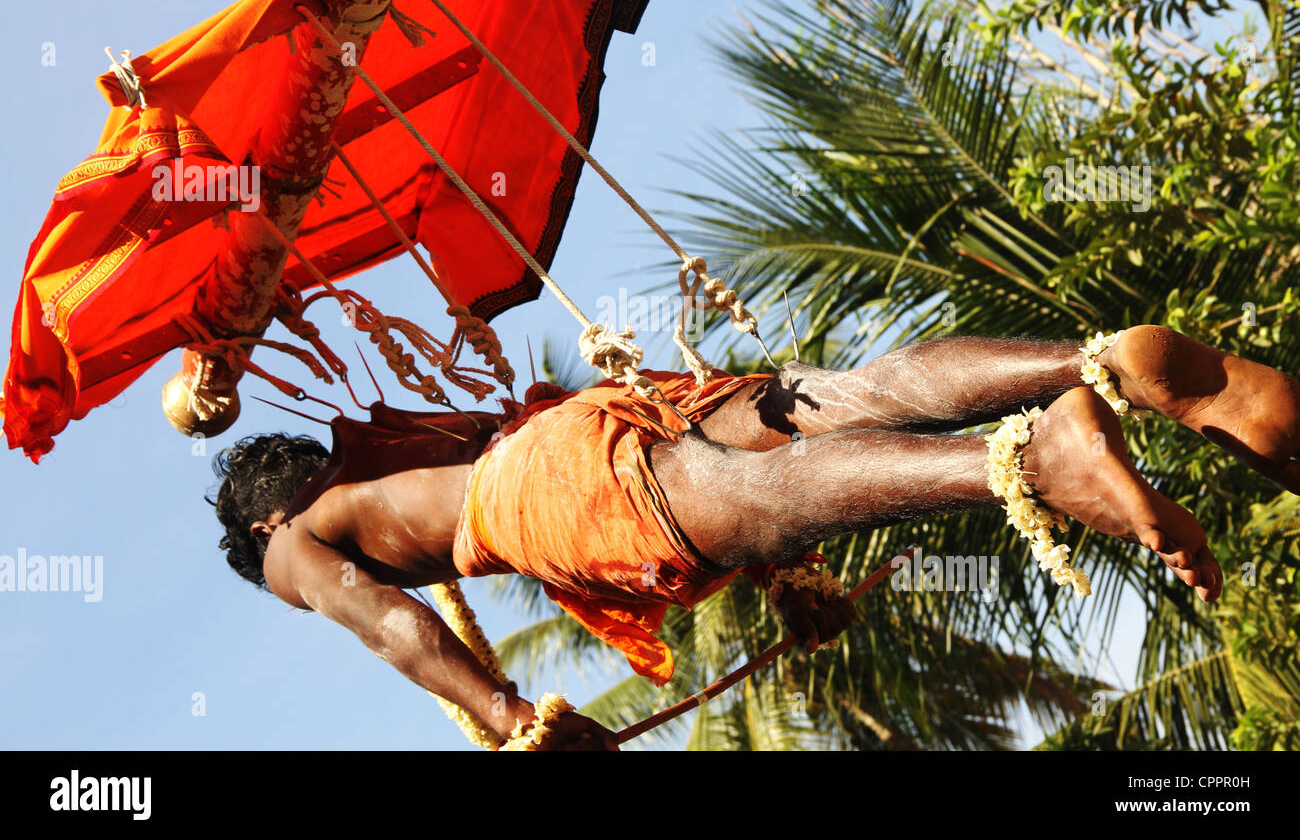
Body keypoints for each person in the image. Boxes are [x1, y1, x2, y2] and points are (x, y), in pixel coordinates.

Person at [210, 325, 1300, 749]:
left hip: (539, 493)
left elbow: (390, 623)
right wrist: (791, 579)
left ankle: (1037, 461)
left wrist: (511, 718)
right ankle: (1099, 362)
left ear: (264, 518)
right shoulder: (381, 457)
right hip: (594, 417)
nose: (291, 579)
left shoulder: (287, 542)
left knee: (754, 503)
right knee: (843, 402)